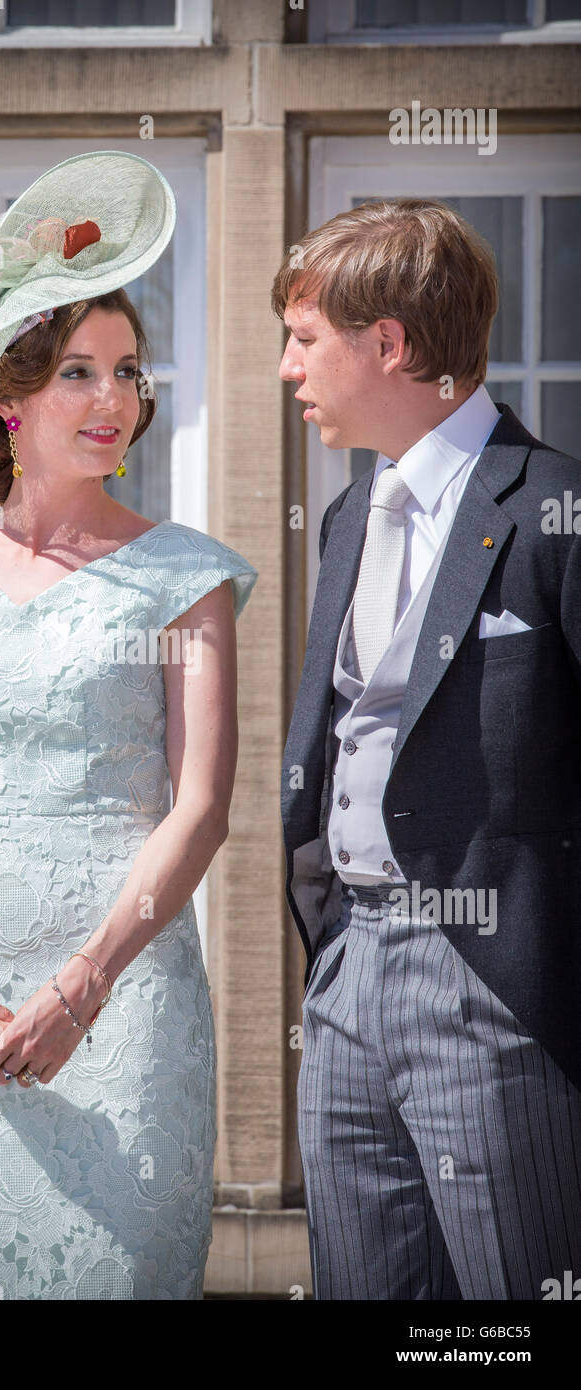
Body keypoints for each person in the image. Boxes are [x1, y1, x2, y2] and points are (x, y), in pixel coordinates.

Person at [0, 151, 258, 1299]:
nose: (113, 398)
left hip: (123, 1012)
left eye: (127, 370)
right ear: (6, 396)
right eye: (78, 371)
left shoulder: (185, 576)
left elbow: (200, 807)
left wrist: (83, 988)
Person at [277, 198, 581, 1299]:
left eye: (303, 339)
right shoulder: (348, 517)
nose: (287, 368)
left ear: (388, 344)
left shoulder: (557, 508)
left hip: (498, 980)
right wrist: (330, 950)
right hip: (345, 967)